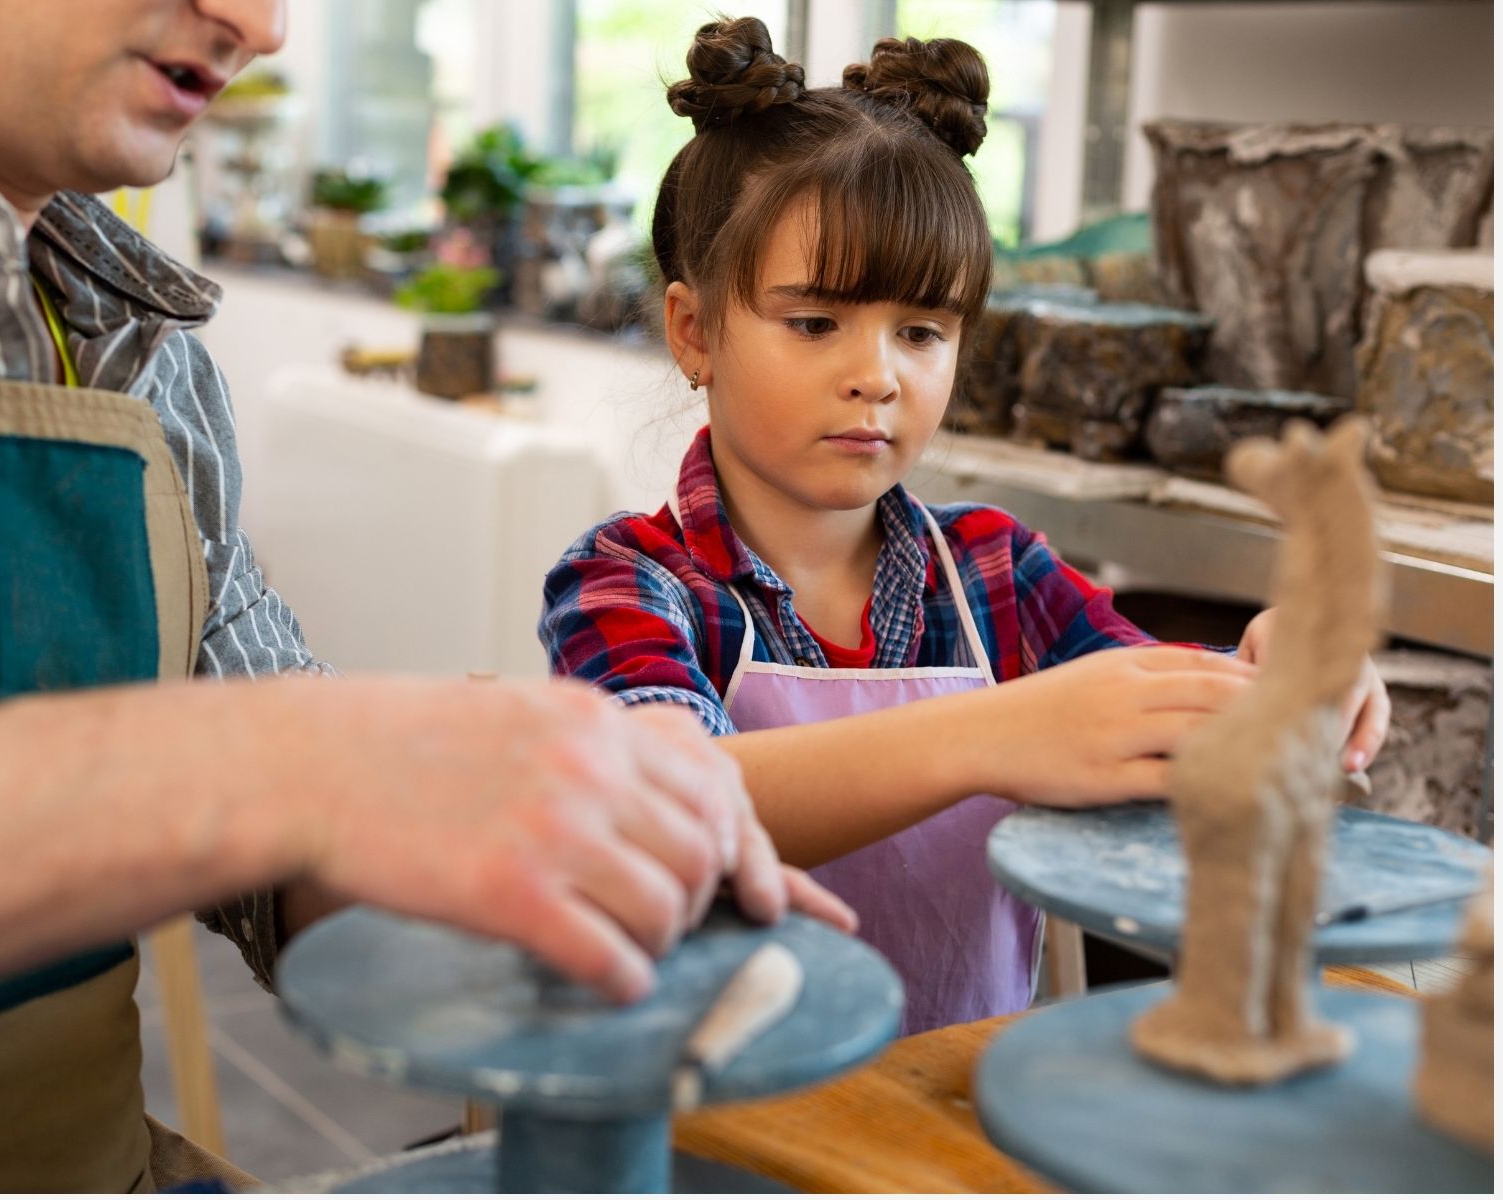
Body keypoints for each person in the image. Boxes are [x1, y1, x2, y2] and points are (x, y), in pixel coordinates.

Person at [0, 0, 854, 1188]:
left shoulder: (134, 342)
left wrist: (532, 862)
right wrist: (296, 763)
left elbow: (274, 856)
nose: (261, 25)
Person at [540, 18, 1391, 1037]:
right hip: (711, 1128)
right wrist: (1001, 733)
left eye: (922, 331)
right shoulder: (626, 582)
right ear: (695, 331)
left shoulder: (996, 569)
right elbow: (670, 799)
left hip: (949, 1115)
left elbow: (1147, 714)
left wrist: (1271, 684)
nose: (878, 374)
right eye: (815, 323)